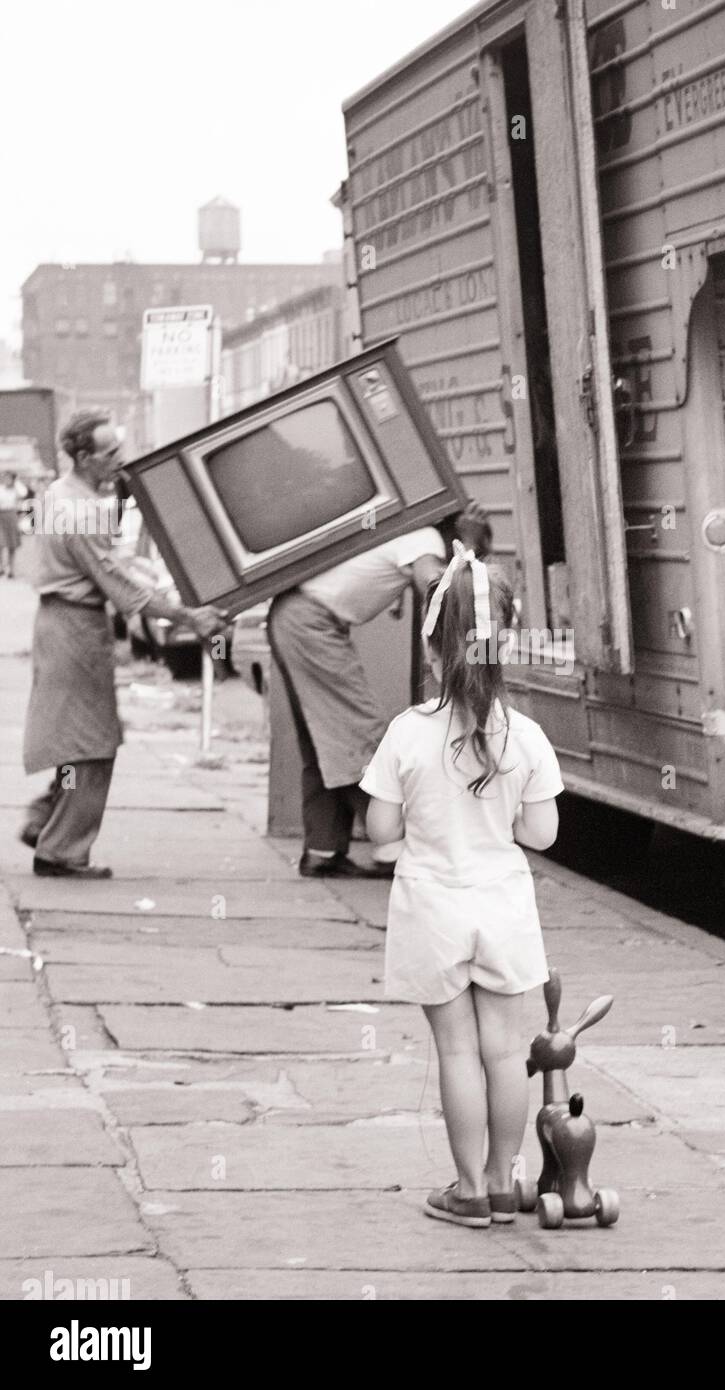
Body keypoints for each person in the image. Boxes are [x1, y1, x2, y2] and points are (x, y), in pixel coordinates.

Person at [361, 542, 564, 1228]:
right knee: (505, 1050)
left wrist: (414, 833)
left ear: (431, 644)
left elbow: (379, 828)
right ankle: (506, 1183)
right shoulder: (526, 736)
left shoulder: (407, 734)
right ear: (504, 641)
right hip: (502, 905)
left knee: (455, 1050)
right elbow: (543, 835)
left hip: (432, 906)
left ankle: (468, 1188)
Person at [20, 409, 226, 879]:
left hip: (65, 625)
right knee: (89, 744)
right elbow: (118, 585)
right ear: (84, 456)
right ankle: (61, 849)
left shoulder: (68, 495)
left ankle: (49, 822)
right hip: (74, 629)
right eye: (110, 453)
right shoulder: (78, 510)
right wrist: (187, 616)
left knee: (76, 737)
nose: (120, 459)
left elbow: (111, 566)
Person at [267, 502, 492, 880]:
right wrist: (468, 548)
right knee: (361, 734)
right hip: (311, 623)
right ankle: (395, 851)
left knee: (326, 741)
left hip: (296, 617)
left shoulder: (407, 535)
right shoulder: (423, 540)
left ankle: (322, 851)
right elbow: (437, 587)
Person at [0, 471, 20, 578]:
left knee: (12, 544)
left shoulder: (16, 490)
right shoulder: (0, 489)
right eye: (4, 478)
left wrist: (16, 483)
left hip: (11, 516)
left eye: (9, 478)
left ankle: (11, 569)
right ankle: (1, 567)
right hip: (1, 516)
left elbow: (24, 493)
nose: (6, 480)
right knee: (1, 543)